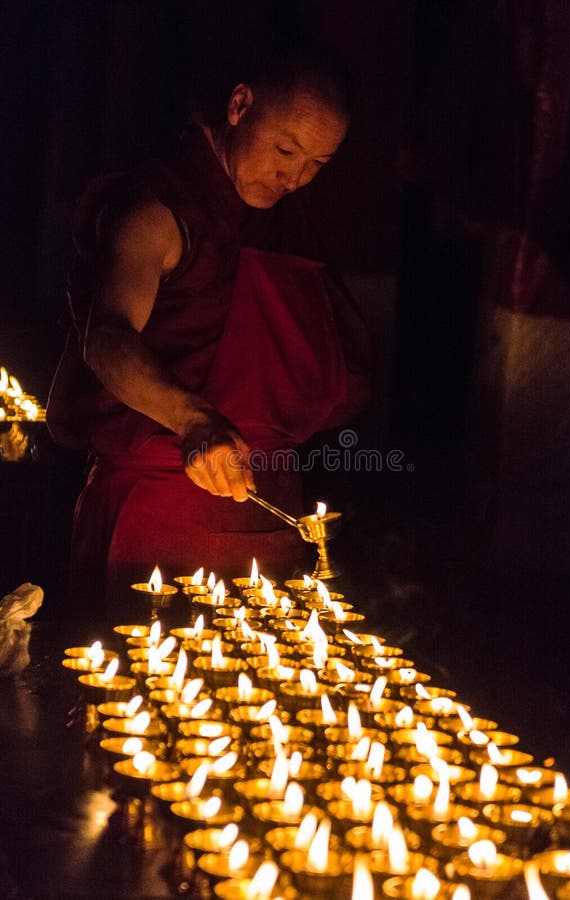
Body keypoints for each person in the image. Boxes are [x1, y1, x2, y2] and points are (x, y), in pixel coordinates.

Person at [47, 44, 370, 616]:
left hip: (270, 514)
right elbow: (108, 336)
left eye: (317, 164)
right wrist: (193, 418)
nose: (294, 177)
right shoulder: (160, 210)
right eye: (285, 149)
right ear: (240, 105)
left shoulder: (286, 223)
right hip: (156, 512)